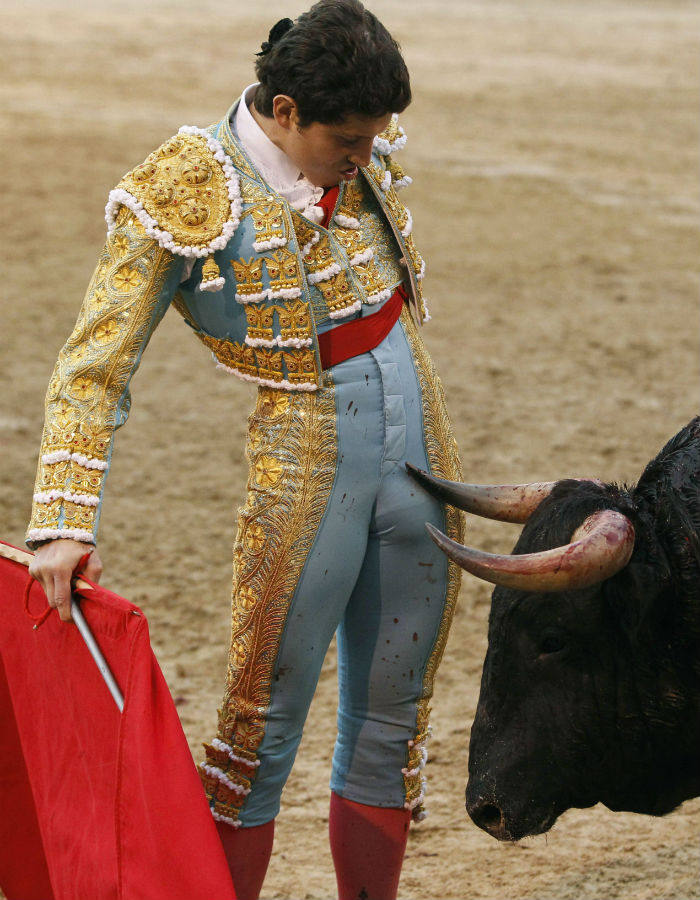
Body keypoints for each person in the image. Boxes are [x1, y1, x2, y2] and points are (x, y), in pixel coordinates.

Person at [26, 2, 463, 897]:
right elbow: (92, 366)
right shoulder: (182, 186)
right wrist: (60, 523)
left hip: (421, 446)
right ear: (287, 109)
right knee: (254, 738)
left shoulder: (353, 143)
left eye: (374, 138)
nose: (366, 157)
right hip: (310, 468)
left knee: (394, 729)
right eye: (347, 140)